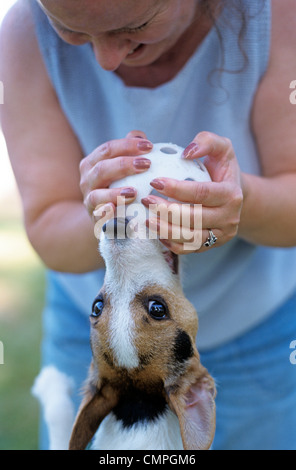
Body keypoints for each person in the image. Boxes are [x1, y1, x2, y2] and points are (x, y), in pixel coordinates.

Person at [1, 0, 296, 450]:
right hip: (97, 350)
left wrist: (242, 203)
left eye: (134, 26)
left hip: (254, 325)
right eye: (70, 29)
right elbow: (46, 227)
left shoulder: (275, 17)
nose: (105, 60)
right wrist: (109, 220)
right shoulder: (22, 38)